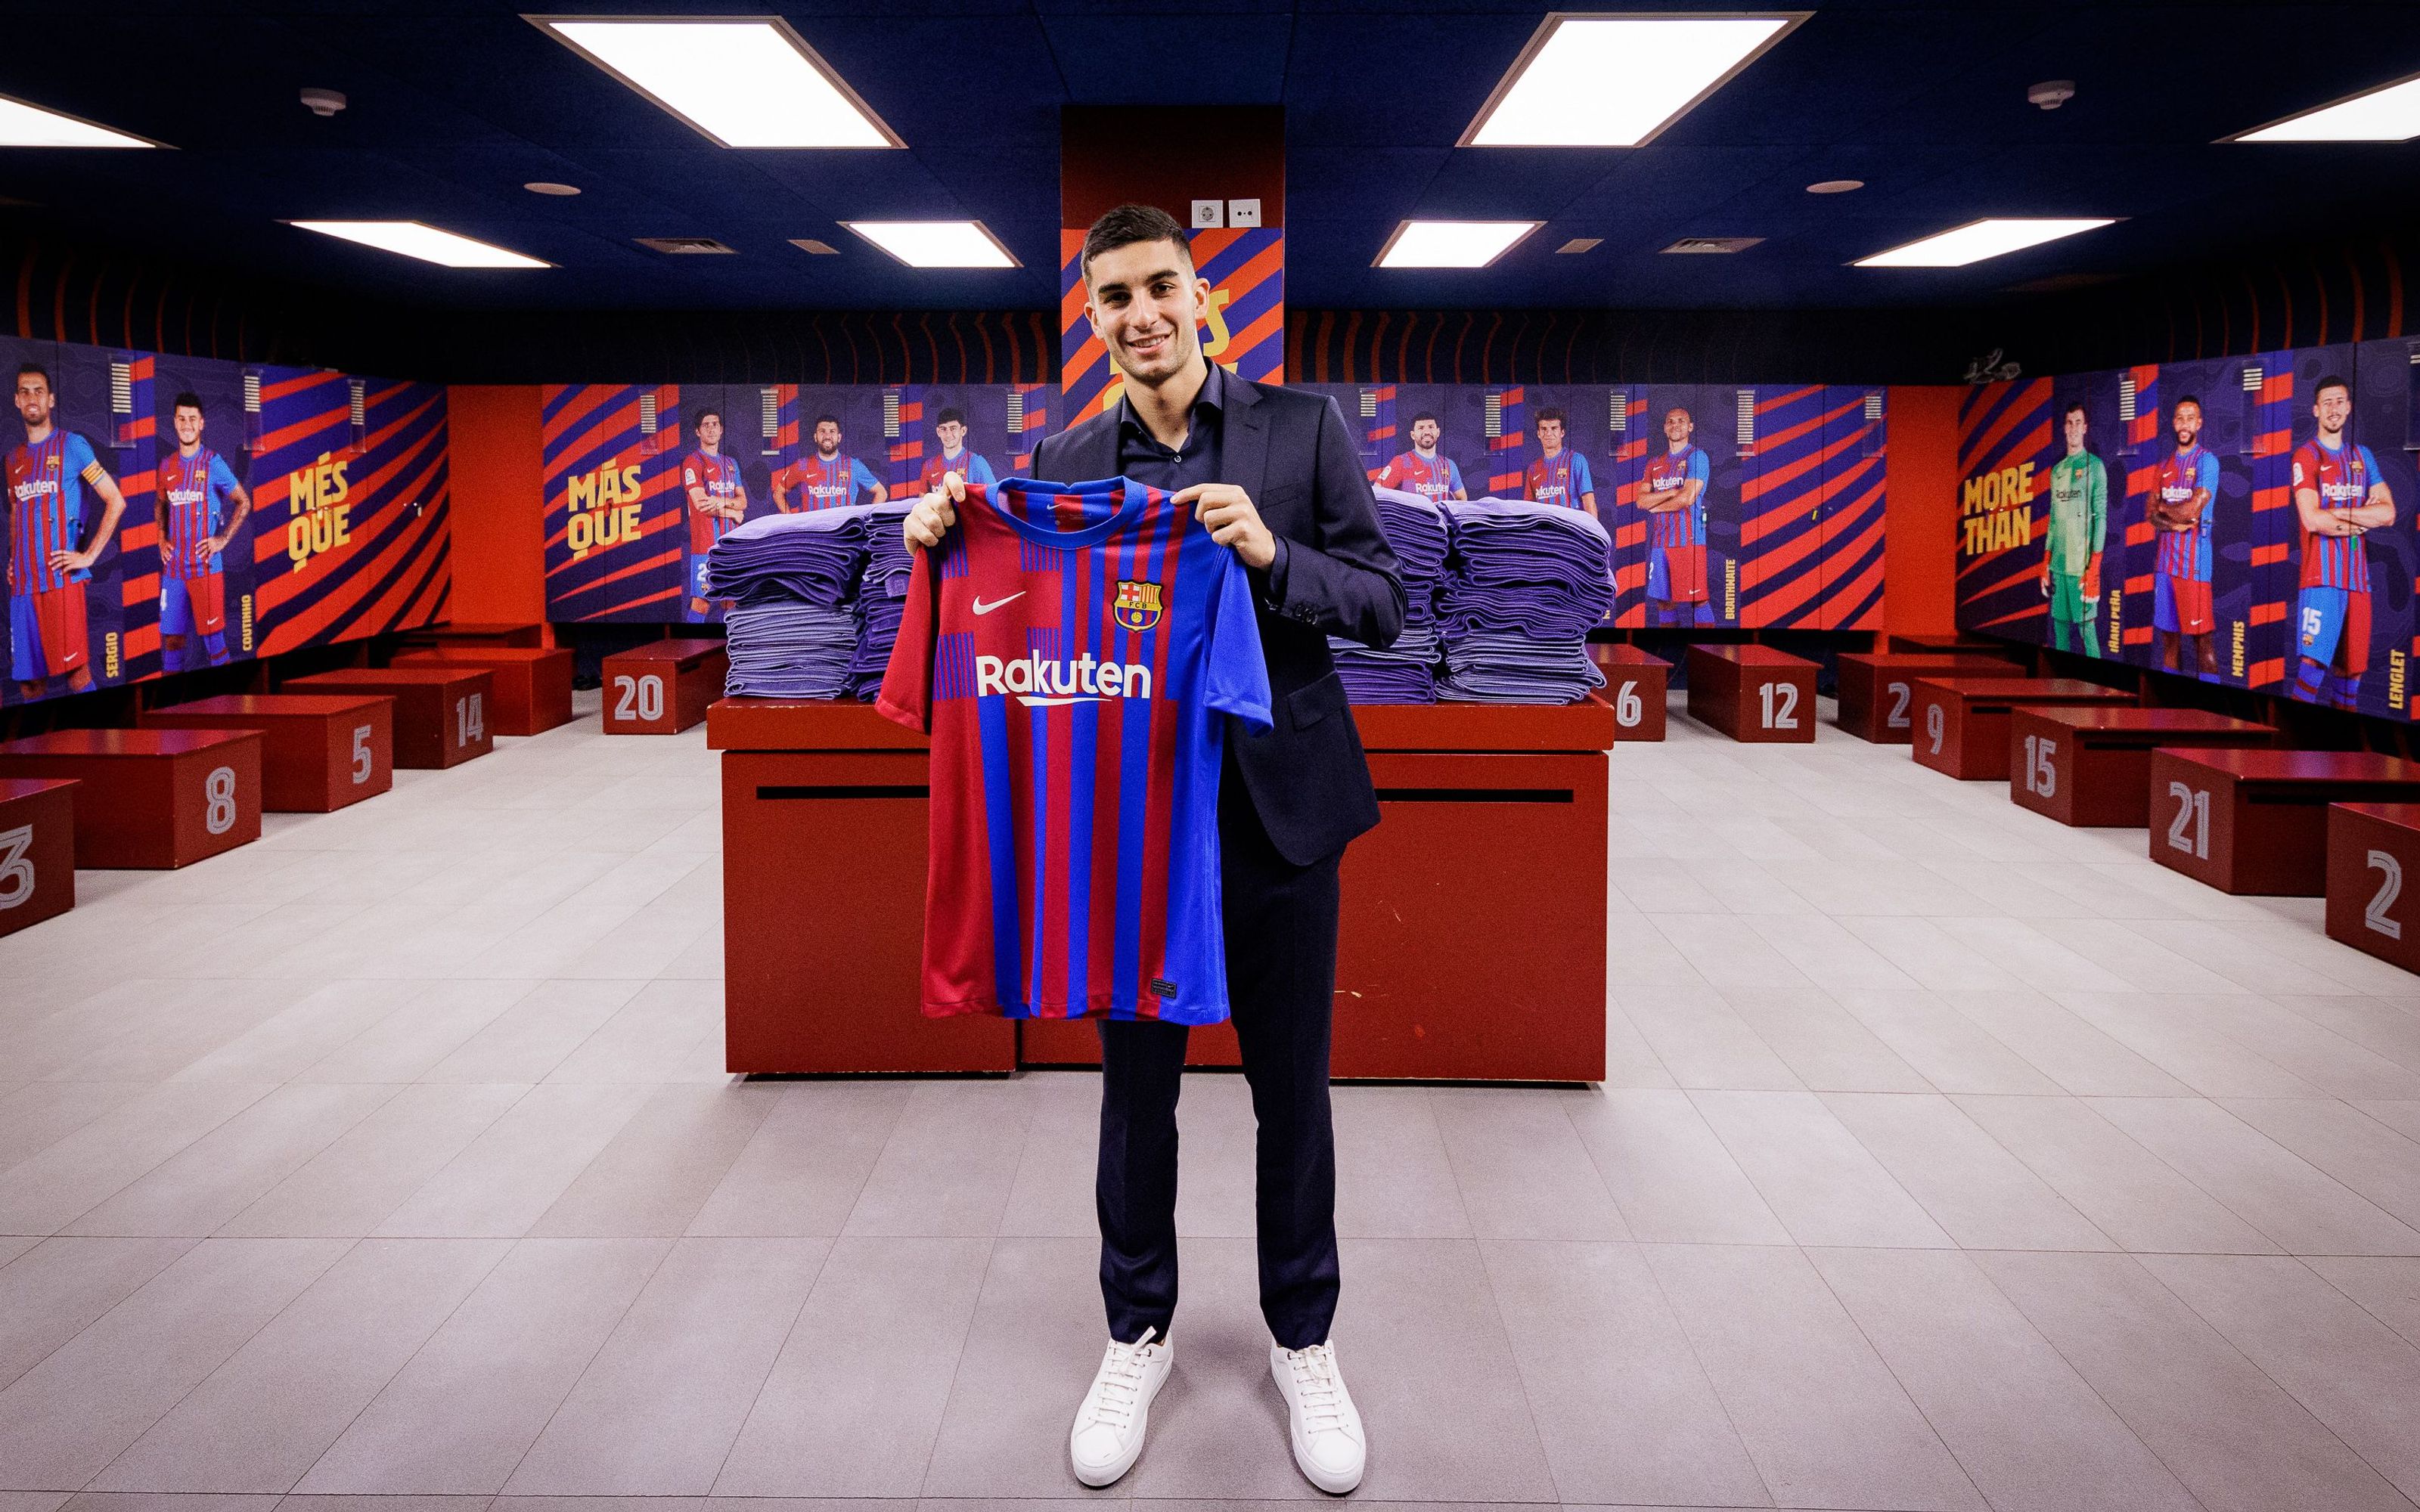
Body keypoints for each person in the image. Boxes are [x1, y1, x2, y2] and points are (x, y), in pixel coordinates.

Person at [905, 202, 1402, 1496]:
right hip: (1127, 823)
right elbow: (1022, 596)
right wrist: (945, 539)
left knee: (1291, 1087)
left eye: (1160, 287)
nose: (1140, 315)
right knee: (1136, 1095)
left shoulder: (1302, 427)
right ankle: (1135, 1334)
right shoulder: (1071, 455)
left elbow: (1386, 603)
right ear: (1094, 316)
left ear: (1203, 297)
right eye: (1112, 296)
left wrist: (1273, 551)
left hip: (1280, 808)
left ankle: (1304, 1339)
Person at [8, 362, 126, 701]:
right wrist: (13, 560)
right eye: (25, 392)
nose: (32, 398)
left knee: (77, 676)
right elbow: (17, 511)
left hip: (61, 582)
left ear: (51, 400)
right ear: (17, 400)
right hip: (24, 589)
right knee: (31, 684)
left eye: (39, 391)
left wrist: (88, 555)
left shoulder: (72, 446)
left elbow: (115, 501)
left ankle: (97, 750)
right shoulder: (12, 460)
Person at [2290, 374, 2394, 708]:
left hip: (2358, 581)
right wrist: (2362, 516)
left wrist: (2338, 515)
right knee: (2313, 665)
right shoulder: (2307, 456)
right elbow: (2312, 518)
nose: (2334, 409)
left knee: (2352, 674)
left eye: (2340, 401)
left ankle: (2342, 748)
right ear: (2316, 410)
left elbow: (2388, 513)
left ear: (2348, 408)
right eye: (2327, 403)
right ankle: (2291, 745)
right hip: (2321, 579)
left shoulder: (2363, 457)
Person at [157, 391, 251, 671]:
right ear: (174, 422)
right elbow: (160, 504)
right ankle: (171, 709)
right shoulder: (166, 466)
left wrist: (223, 539)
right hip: (174, 570)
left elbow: (243, 501)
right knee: (172, 640)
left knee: (213, 640)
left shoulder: (213, 463)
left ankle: (226, 708)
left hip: (206, 568)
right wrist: (162, 539)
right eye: (182, 418)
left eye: (192, 419)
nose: (187, 424)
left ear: (202, 424)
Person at [2150, 395, 2220, 677]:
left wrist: (2164, 508)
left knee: (2203, 643)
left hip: (2195, 567)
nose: (2184, 424)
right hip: (2165, 566)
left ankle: (2212, 713)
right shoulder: (2164, 466)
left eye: (2191, 418)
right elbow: (2150, 516)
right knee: (2169, 641)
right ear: (2173, 422)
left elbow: (2193, 509)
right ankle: (2171, 708)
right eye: (2180, 418)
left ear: (2199, 423)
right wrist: (2169, 520)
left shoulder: (2208, 462)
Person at [2040, 401, 2106, 657]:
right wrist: (2045, 562)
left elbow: (2101, 518)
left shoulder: (2095, 467)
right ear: (2064, 429)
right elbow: (2054, 521)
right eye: (2070, 423)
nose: (2074, 428)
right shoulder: (2057, 471)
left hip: (2082, 570)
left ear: (2086, 428)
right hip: (2058, 567)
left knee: (2087, 632)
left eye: (2079, 423)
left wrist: (2094, 570)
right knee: (2060, 633)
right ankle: (2061, 690)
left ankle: (2097, 693)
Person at [1639, 405, 1710, 627]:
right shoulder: (1654, 463)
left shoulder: (1697, 457)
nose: (1675, 425)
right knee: (1664, 602)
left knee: (1698, 601)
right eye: (1670, 421)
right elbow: (1641, 501)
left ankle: (1708, 653)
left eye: (1681, 421)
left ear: (1690, 427)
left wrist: (1657, 505)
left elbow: (1687, 498)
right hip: (1660, 542)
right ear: (1664, 428)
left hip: (1688, 541)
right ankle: (1667, 654)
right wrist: (1671, 492)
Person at [681, 408, 746, 618]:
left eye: (715, 424)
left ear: (721, 430)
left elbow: (743, 502)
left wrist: (718, 501)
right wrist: (733, 513)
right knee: (702, 601)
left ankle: (733, 647)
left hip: (732, 547)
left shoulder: (731, 464)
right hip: (705, 546)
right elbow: (701, 504)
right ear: (698, 432)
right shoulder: (693, 462)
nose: (711, 429)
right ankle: (692, 647)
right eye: (706, 425)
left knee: (732, 600)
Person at [773, 414, 886, 512]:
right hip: (813, 534)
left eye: (832, 431)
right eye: (822, 432)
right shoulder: (802, 465)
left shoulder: (853, 465)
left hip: (844, 534)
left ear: (839, 437)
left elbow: (881, 493)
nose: (827, 436)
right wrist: (791, 520)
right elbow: (778, 493)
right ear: (815, 437)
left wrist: (867, 521)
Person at [1523, 407, 1597, 519]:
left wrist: (1592, 534)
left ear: (1562, 433)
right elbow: (1528, 509)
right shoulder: (1533, 469)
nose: (1548, 433)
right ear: (1538, 433)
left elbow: (1589, 502)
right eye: (1544, 429)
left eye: (1554, 428)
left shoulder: (1576, 460)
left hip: (1571, 533)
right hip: (1544, 534)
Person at [1376, 412, 1464, 503]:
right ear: (1413, 435)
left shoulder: (1449, 465)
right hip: (1411, 518)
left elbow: (1462, 498)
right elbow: (1377, 493)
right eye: (1421, 428)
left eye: (1431, 427)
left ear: (1438, 432)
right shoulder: (1401, 462)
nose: (1426, 432)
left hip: (1441, 518)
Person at [917, 404, 997, 492]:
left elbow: (993, 496)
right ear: (938, 432)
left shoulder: (977, 463)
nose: (948, 435)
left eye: (953, 429)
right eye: (943, 429)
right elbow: (923, 500)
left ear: (963, 431)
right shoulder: (929, 465)